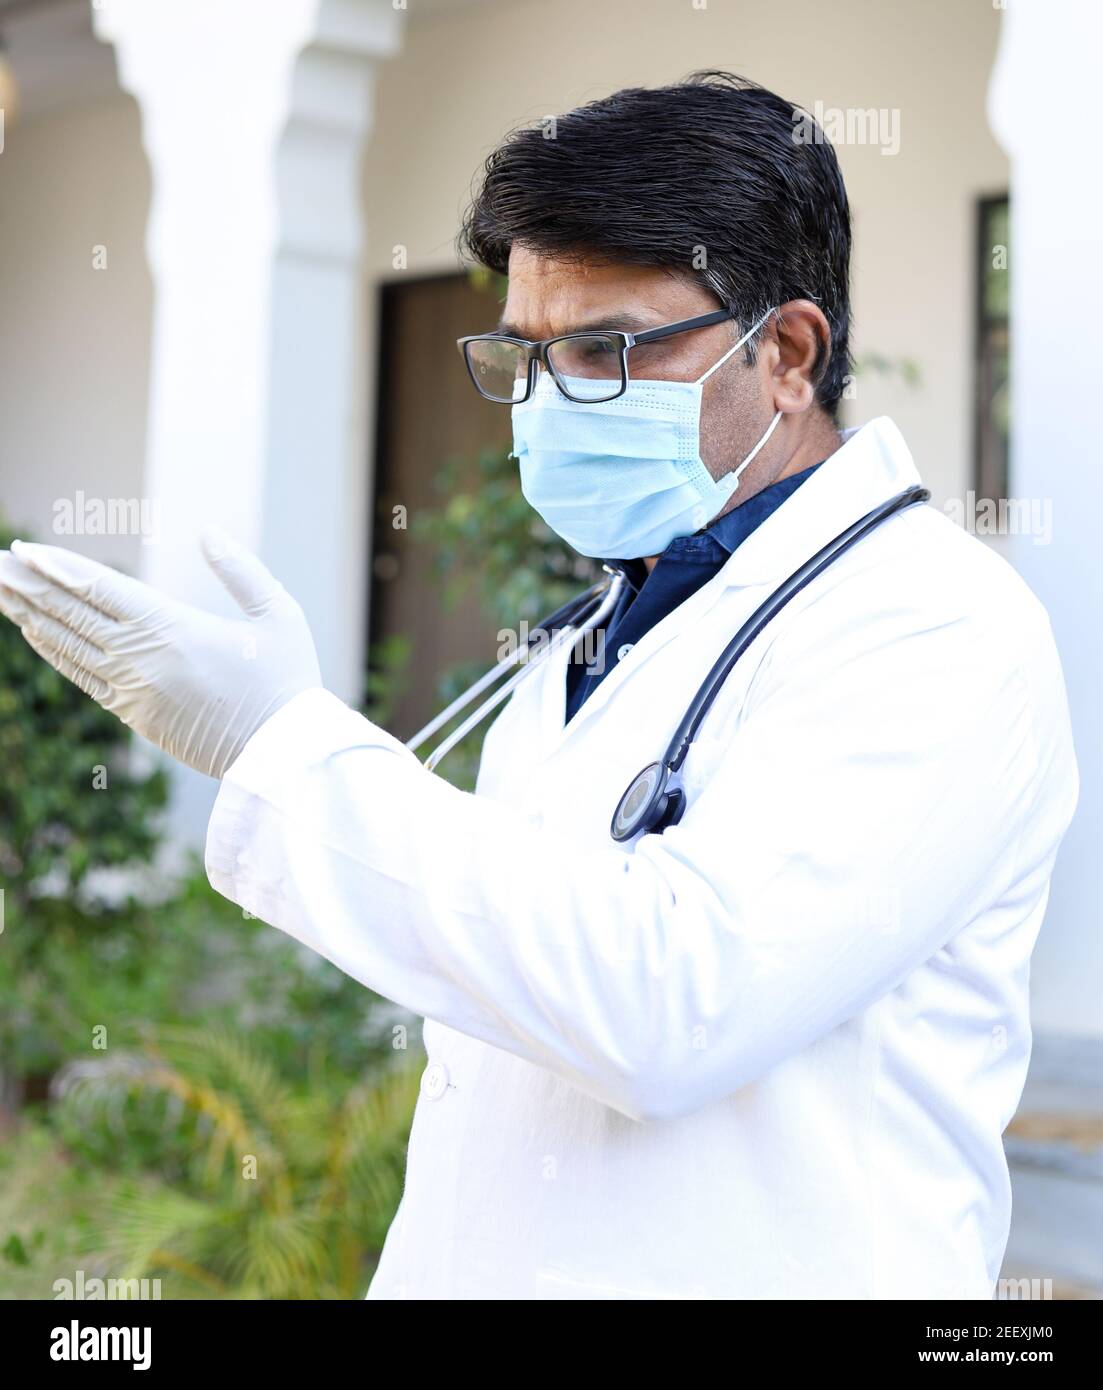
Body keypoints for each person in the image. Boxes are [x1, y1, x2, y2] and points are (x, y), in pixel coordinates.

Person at [0, 72, 1078, 1300]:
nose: (550, 398)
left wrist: (281, 747)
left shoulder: (934, 626)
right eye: (525, 354)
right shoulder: (604, 628)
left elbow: (668, 1002)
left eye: (602, 349)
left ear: (783, 353)